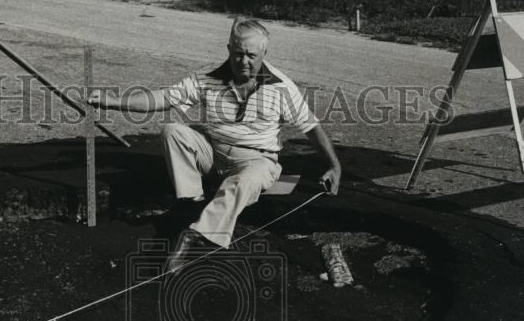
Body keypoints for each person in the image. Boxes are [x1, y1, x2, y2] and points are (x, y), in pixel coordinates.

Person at [88, 17, 341, 272]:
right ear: (229, 49)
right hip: (214, 153)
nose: (244, 62)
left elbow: (310, 127)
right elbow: (164, 98)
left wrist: (334, 165)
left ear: (264, 53)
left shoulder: (282, 87)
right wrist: (113, 101)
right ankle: (191, 202)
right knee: (173, 131)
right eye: (238, 53)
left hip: (257, 160)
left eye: (252, 55)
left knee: (243, 182)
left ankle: (193, 236)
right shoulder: (207, 78)